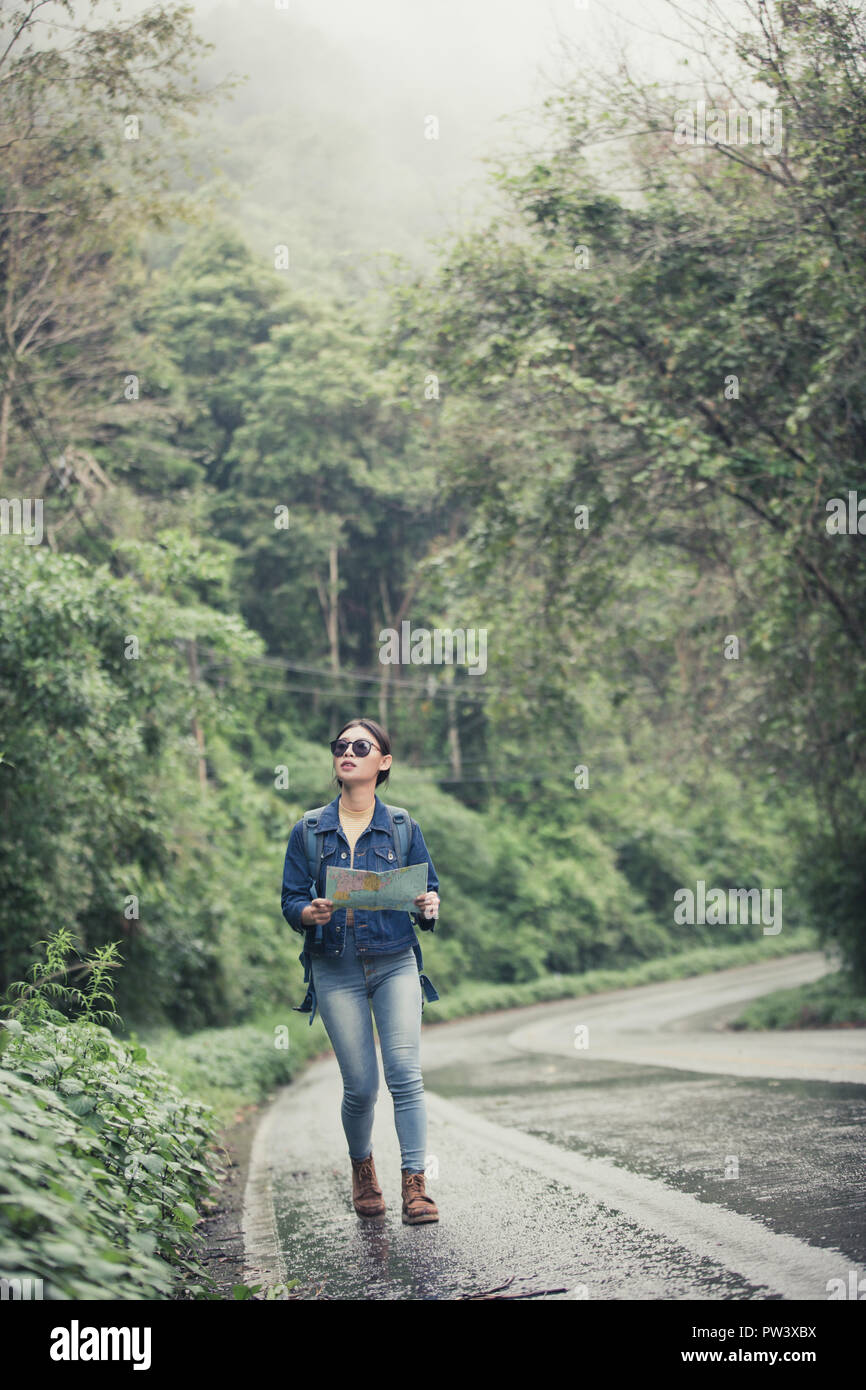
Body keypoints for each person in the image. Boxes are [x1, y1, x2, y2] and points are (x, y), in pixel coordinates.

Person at [280, 717, 442, 1225]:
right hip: (335, 967)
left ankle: (415, 1186)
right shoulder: (309, 830)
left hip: (395, 960)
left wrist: (428, 905)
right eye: (341, 746)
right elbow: (289, 899)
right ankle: (363, 1168)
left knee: (405, 1077)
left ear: (383, 762)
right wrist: (308, 913)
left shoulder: (401, 826)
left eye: (360, 746)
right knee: (361, 1087)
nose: (347, 752)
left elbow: (428, 892)